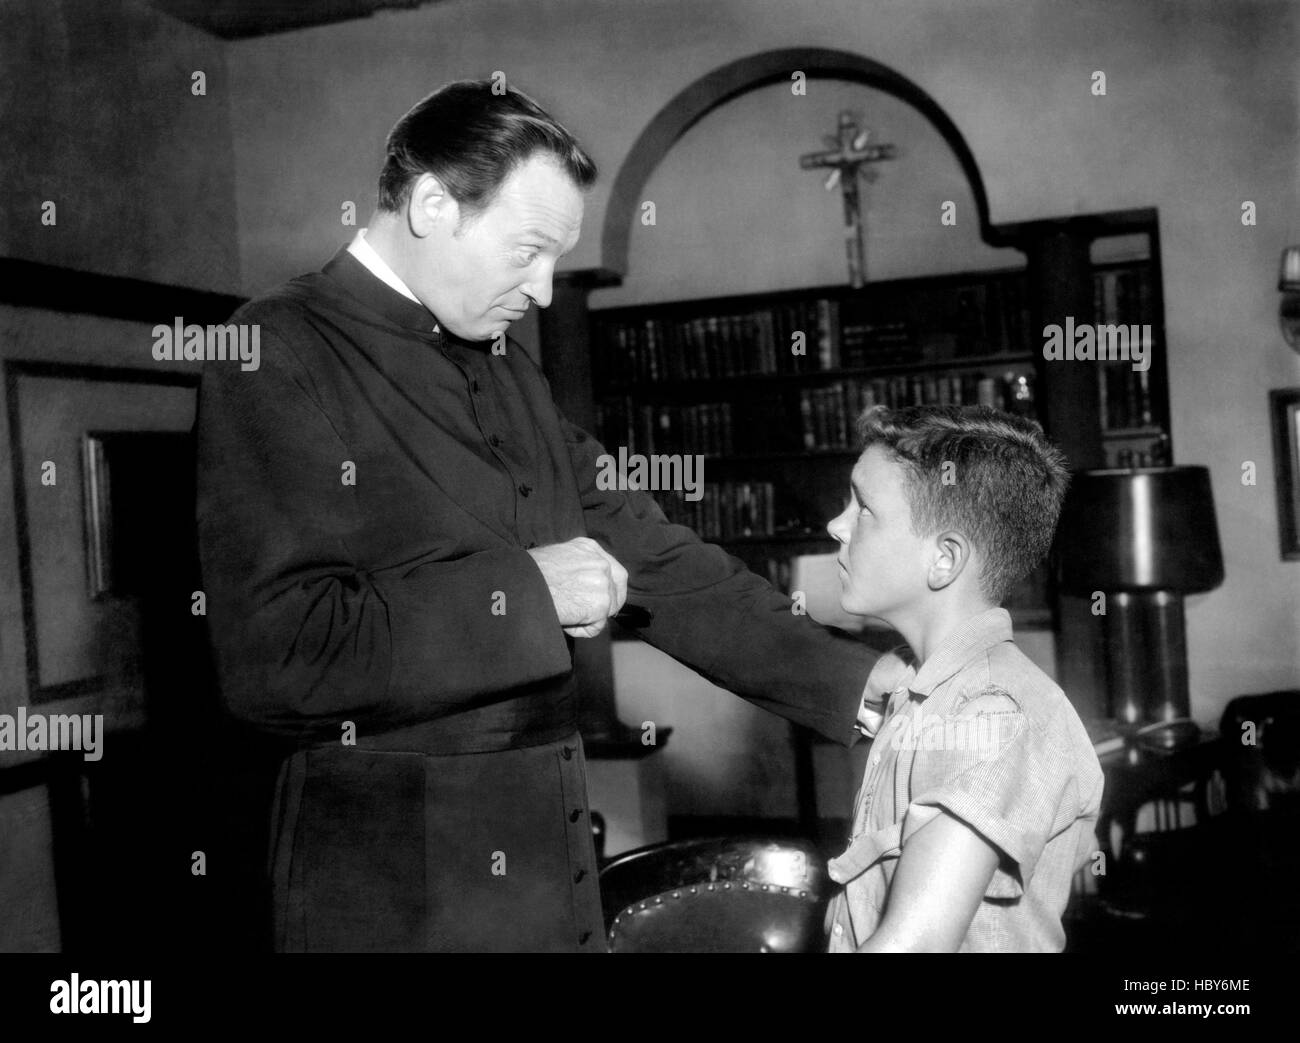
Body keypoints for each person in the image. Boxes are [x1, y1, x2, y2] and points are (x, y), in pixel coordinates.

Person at [194, 80, 891, 953]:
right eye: (529, 251)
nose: (547, 291)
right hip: (393, 891)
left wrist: (862, 687)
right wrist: (526, 591)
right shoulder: (277, 348)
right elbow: (277, 658)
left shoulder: (505, 360)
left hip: (542, 859)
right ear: (432, 204)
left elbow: (657, 559)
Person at [823, 404, 1104, 952]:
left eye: (864, 508)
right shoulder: (922, 686)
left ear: (945, 560)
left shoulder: (989, 716)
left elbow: (915, 945)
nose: (837, 525)